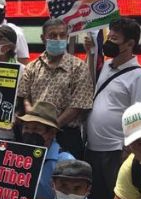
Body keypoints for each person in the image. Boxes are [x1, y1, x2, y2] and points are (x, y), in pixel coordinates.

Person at [85, 17, 141, 199]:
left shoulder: (138, 75)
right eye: (109, 37)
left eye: (115, 39)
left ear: (130, 44)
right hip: (94, 148)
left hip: (116, 151)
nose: (109, 42)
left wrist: (129, 149)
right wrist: (91, 54)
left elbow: (138, 112)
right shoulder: (106, 67)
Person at [18, 18, 92, 158]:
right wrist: (35, 121)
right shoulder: (32, 67)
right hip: (35, 134)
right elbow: (25, 96)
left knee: (66, 177)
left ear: (67, 37)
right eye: (52, 35)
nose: (58, 39)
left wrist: (52, 127)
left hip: (67, 135)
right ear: (43, 38)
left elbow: (78, 105)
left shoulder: (78, 67)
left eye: (62, 35)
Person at [18, 101, 75, 199]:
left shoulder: (66, 162)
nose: (30, 133)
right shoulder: (15, 157)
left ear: (52, 133)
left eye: (36, 129)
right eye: (26, 128)